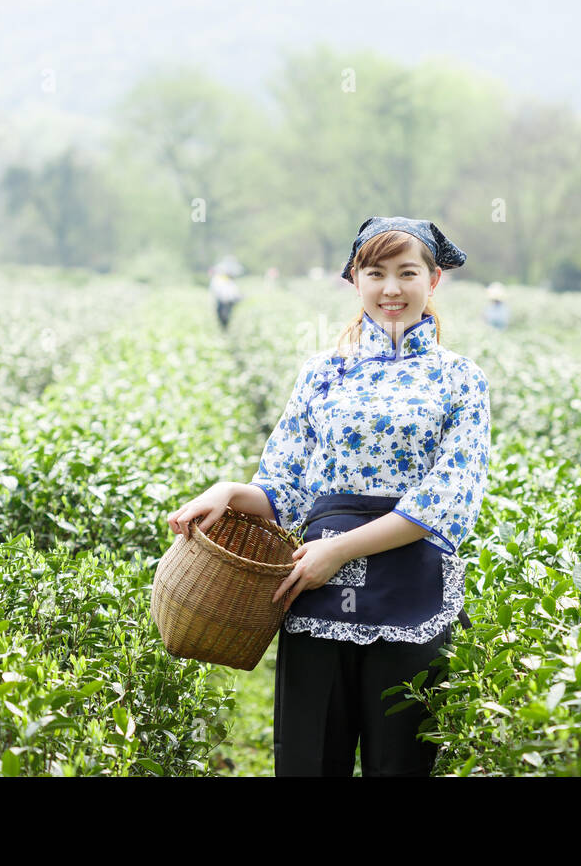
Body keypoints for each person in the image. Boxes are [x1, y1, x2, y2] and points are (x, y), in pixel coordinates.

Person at [168, 216, 491, 777]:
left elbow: (447, 497)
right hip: (315, 591)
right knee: (308, 758)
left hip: (407, 587)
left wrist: (341, 551)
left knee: (401, 761)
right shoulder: (322, 372)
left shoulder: (461, 379)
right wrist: (228, 493)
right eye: (376, 273)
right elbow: (286, 488)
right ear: (355, 280)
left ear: (433, 280)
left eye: (407, 273)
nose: (391, 289)